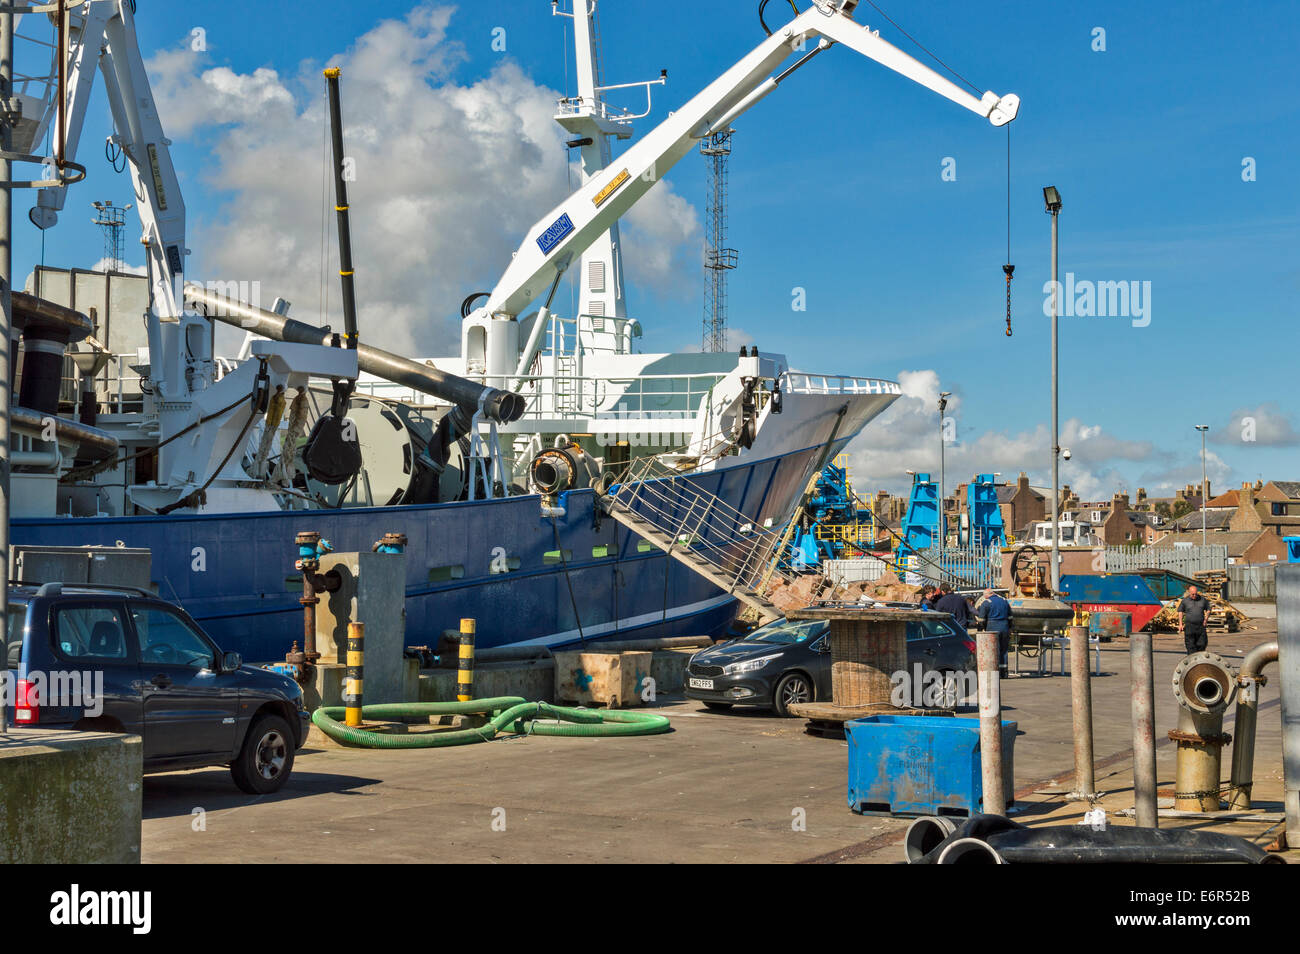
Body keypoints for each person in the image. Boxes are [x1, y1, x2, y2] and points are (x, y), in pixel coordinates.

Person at [976, 587, 1013, 677]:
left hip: (992, 627)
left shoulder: (986, 603)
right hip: (1004, 627)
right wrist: (1010, 628)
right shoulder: (1004, 601)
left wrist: (982, 629)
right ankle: (1003, 673)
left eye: (985, 596)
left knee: (993, 651)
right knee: (1003, 650)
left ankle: (994, 672)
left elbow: (981, 619)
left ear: (987, 594)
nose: (985, 598)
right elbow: (1010, 617)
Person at [1178, 584, 1211, 654]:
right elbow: (1180, 611)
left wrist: (1206, 619)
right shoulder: (1185, 601)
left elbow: (1208, 609)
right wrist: (1180, 624)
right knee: (1190, 645)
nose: (1194, 596)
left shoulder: (1202, 600)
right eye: (1193, 594)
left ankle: (1200, 658)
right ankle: (1192, 658)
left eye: (1196, 594)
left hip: (1200, 625)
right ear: (1189, 593)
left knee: (1202, 643)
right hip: (1190, 626)